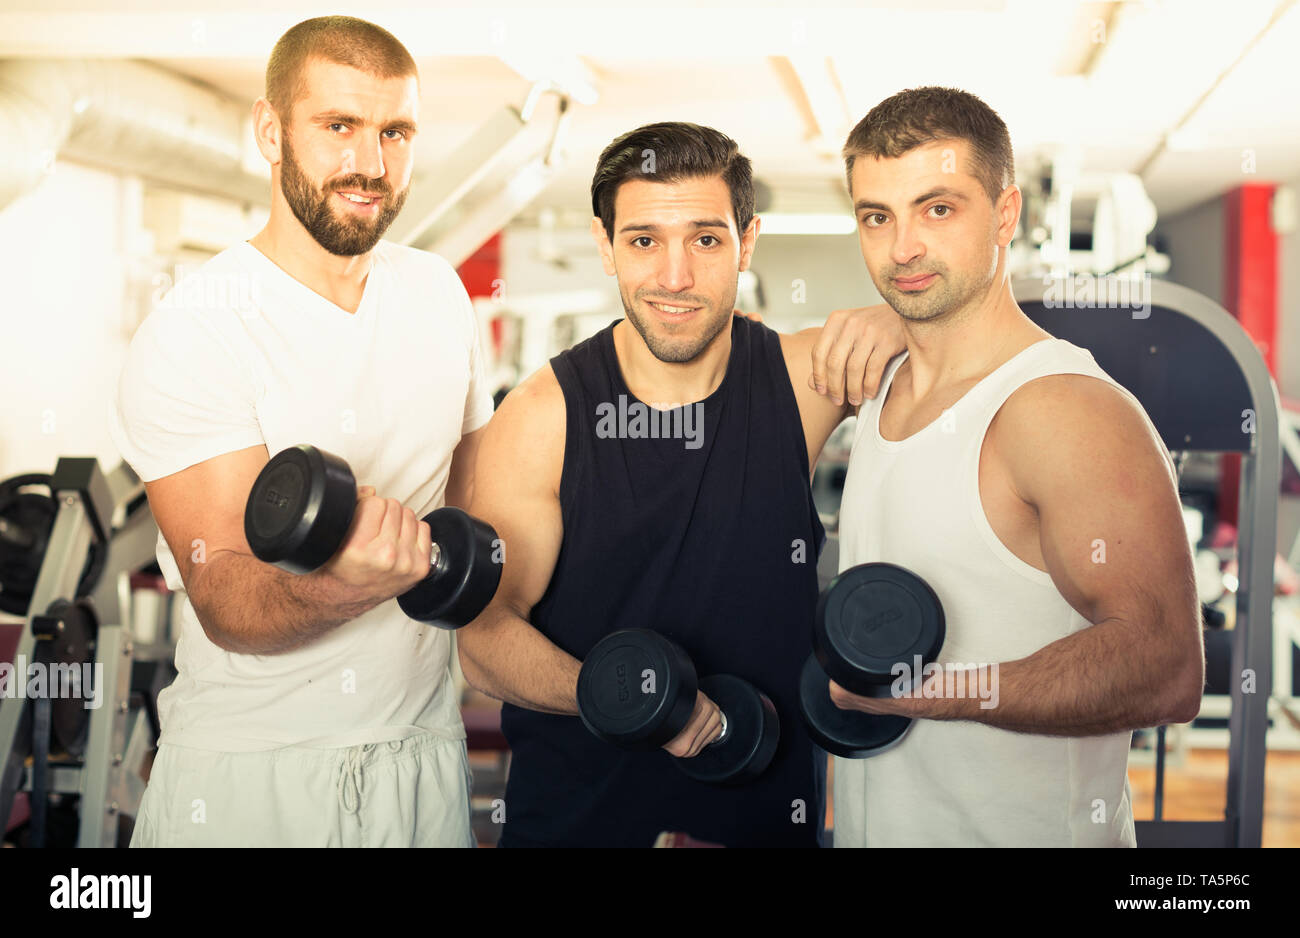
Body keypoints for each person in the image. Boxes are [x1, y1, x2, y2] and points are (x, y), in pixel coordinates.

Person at [457, 122, 905, 847]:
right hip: (579, 818)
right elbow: (483, 637)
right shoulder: (546, 414)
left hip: (756, 814)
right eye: (643, 241)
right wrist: (632, 701)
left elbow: (980, 348)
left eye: (704, 239)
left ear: (746, 242)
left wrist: (905, 320)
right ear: (605, 247)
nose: (674, 276)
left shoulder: (802, 379)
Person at [108, 16, 493, 847]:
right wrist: (353, 580)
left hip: (423, 757)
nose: (371, 163)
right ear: (270, 131)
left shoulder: (438, 294)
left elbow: (478, 515)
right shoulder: (198, 328)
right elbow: (227, 600)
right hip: (255, 774)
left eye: (396, 131)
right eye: (339, 127)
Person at [813, 86, 1205, 847]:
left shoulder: (1062, 409)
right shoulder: (879, 383)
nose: (902, 249)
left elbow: (1164, 668)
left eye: (937, 209)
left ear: (1003, 214)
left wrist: (921, 696)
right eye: (876, 217)